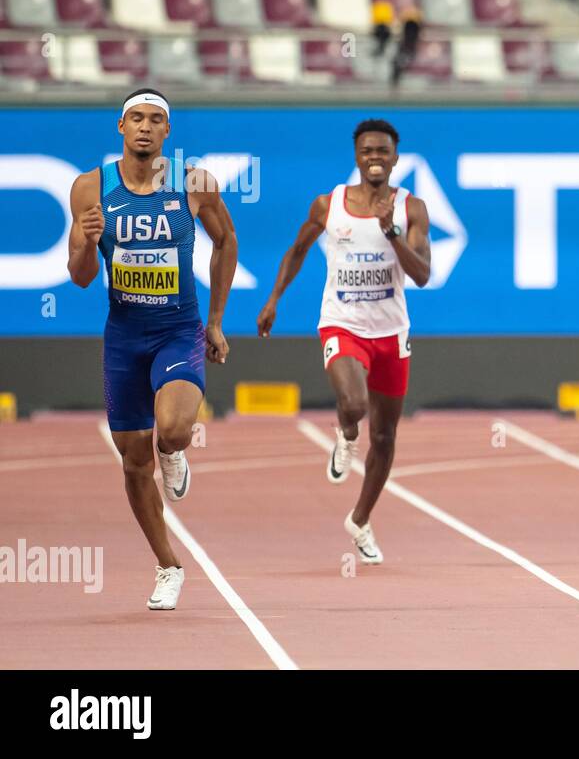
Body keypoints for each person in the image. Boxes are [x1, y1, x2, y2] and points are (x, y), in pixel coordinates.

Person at [65, 88, 238, 610]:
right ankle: (168, 566)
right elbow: (79, 277)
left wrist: (215, 321)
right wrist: (84, 237)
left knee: (175, 429)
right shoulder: (90, 188)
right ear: (120, 127)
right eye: (136, 118)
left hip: (178, 330)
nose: (145, 127)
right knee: (133, 463)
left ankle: (175, 451)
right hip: (123, 335)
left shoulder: (194, 185)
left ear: (168, 132)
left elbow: (227, 240)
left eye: (155, 120)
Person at [257, 119, 431, 566]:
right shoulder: (329, 204)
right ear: (357, 156)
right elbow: (296, 251)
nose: (375, 158)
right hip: (342, 323)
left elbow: (423, 275)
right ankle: (347, 433)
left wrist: (391, 232)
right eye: (367, 150)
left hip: (391, 332)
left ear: (395, 159)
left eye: (383, 152)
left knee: (388, 436)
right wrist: (274, 299)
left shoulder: (412, 208)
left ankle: (360, 518)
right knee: (354, 405)